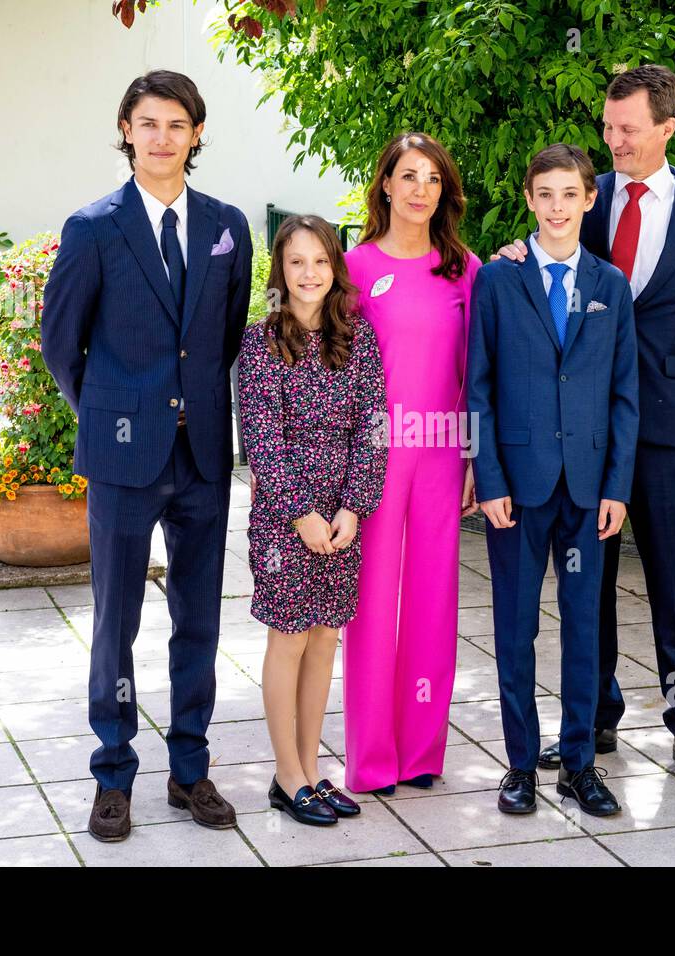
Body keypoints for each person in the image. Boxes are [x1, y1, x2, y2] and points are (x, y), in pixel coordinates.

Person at [496, 65, 675, 786]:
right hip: (582, 432)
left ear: (667, 128)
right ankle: (593, 721)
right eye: (608, 126)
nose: (614, 138)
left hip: (667, 430)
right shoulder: (586, 196)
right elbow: (549, 256)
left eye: (627, 128)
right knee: (587, 584)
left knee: (671, 581)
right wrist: (514, 251)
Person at [42, 70, 252, 842]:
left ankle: (190, 769)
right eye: (147, 122)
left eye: (177, 123)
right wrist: (111, 415)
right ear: (125, 130)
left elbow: (224, 337)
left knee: (198, 619)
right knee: (116, 622)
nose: (162, 136)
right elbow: (62, 346)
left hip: (201, 458)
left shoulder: (227, 225)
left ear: (197, 134)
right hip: (124, 458)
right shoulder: (93, 227)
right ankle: (113, 771)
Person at [468, 144, 639, 817]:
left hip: (589, 488)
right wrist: (488, 478)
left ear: (589, 199)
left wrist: (618, 487)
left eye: (571, 194)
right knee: (514, 627)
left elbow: (625, 393)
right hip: (518, 483)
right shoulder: (498, 281)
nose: (558, 206)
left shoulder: (611, 285)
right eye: (546, 194)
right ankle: (518, 764)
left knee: (582, 628)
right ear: (529, 198)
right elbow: (477, 387)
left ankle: (578, 764)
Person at [340, 132, 482, 794]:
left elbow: (481, 373)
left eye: (432, 178)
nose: (420, 188)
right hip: (374, 454)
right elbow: (334, 369)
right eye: (408, 175)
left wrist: (480, 458)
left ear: (443, 192)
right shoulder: (355, 267)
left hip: (443, 452)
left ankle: (422, 752)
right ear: (386, 186)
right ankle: (370, 759)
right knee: (371, 602)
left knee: (432, 600)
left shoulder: (467, 271)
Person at [238, 215, 388, 826]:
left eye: (320, 262)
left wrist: (354, 507)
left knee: (326, 638)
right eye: (296, 262)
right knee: (290, 637)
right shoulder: (261, 341)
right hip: (285, 520)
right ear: (281, 270)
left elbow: (374, 427)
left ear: (336, 267)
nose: (309, 274)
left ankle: (310, 769)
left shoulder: (357, 336)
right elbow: (262, 439)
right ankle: (284, 772)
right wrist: (300, 513)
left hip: (343, 518)